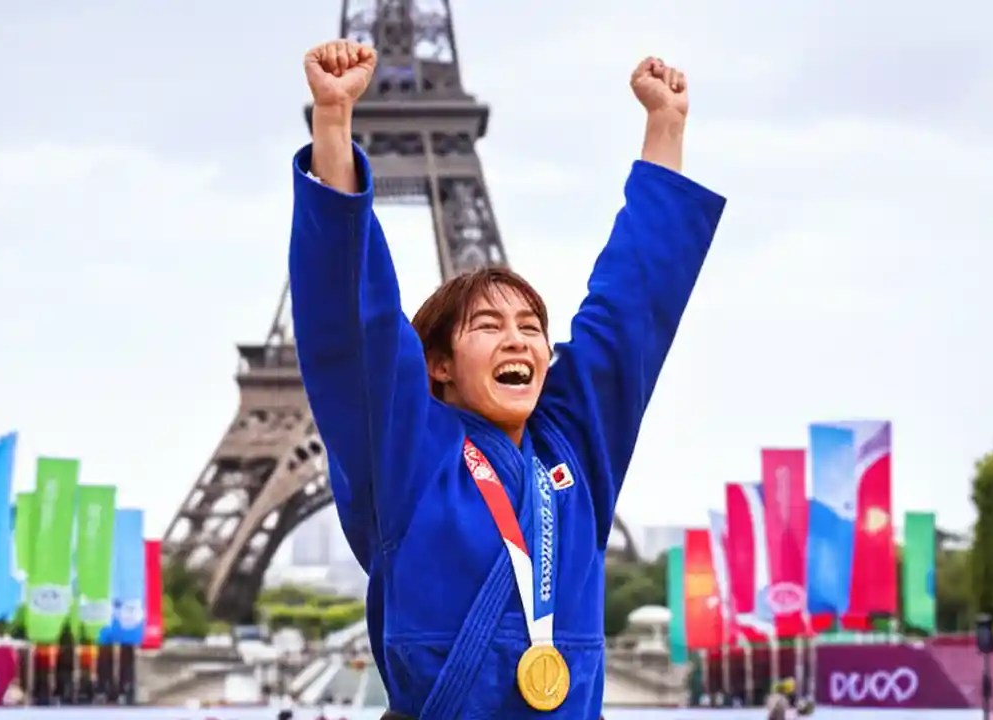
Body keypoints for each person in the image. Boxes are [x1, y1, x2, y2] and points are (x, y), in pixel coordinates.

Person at [289, 39, 726, 719]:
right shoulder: (408, 455)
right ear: (437, 363)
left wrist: (664, 127)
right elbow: (356, 327)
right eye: (488, 326)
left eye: (531, 325)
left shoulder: (573, 452)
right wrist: (334, 124)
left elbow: (631, 309)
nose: (519, 337)